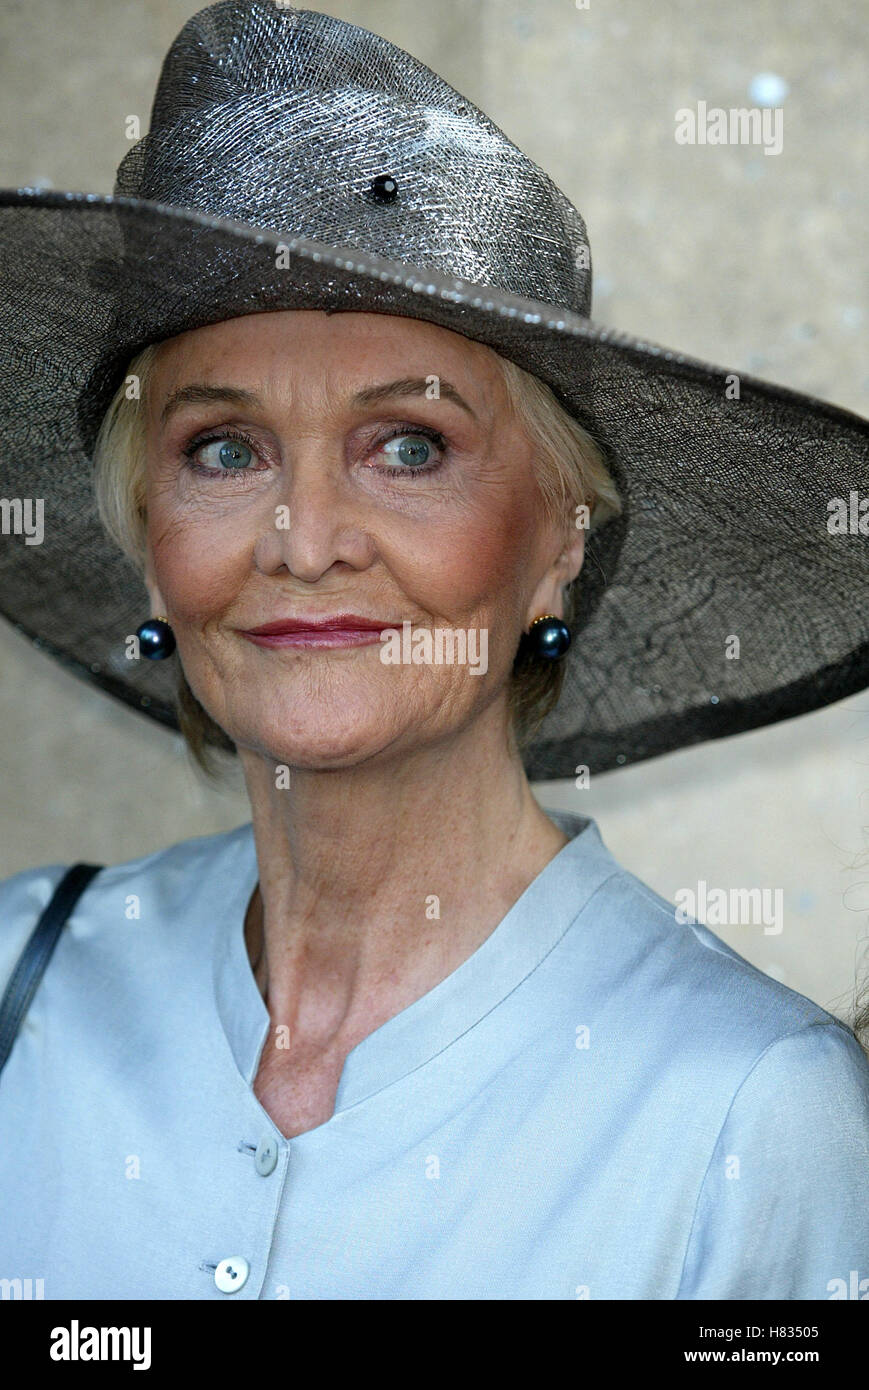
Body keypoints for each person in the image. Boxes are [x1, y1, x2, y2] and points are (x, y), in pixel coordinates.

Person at [0, 0, 867, 1300]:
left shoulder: (751, 1109)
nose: (304, 541)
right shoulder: (23, 980)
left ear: (558, 540)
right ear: (145, 534)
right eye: (221, 450)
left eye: (409, 444)